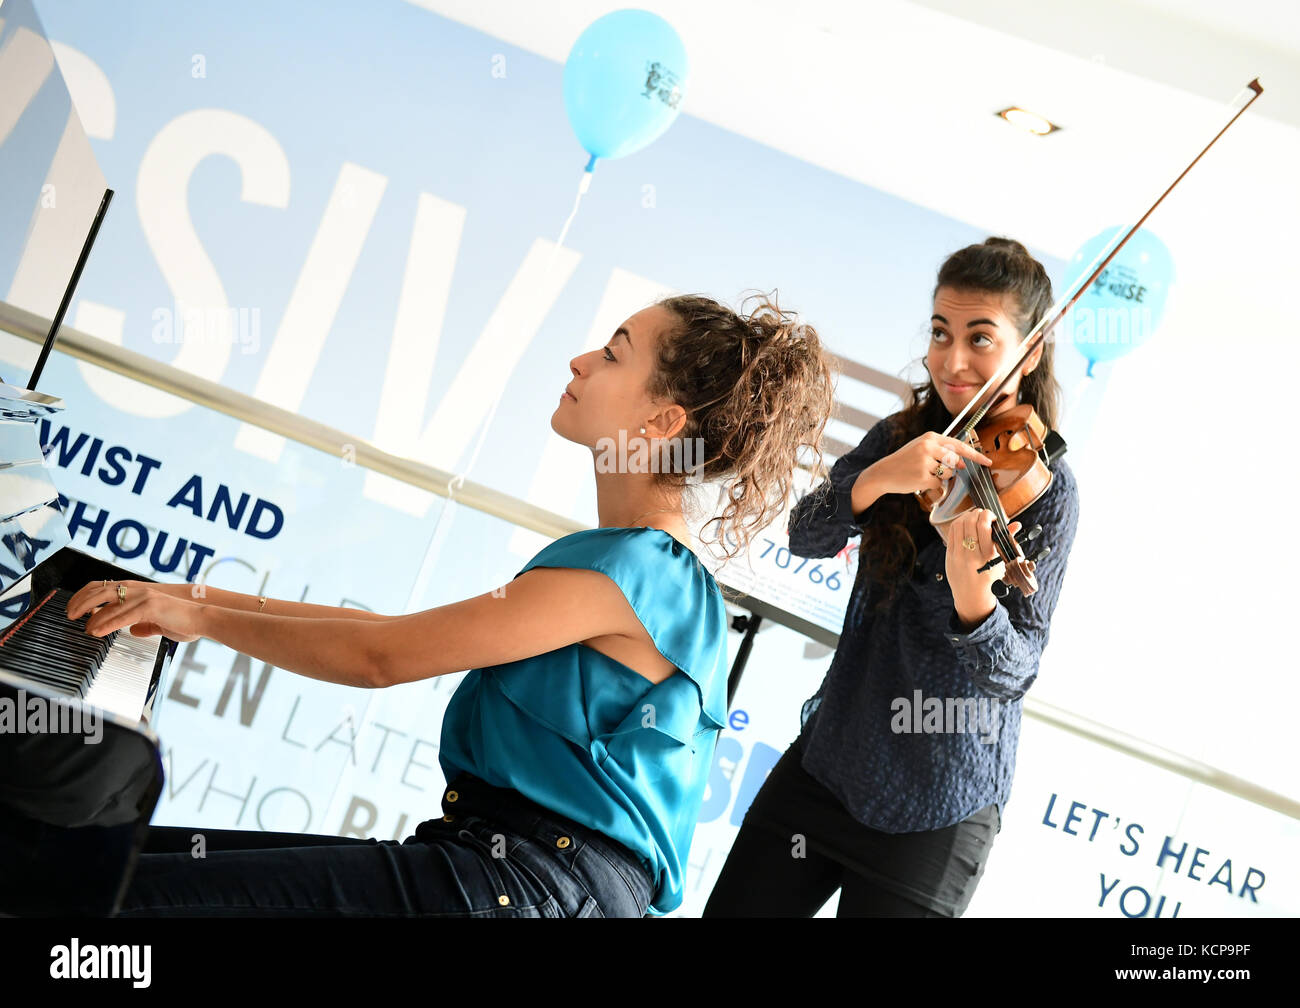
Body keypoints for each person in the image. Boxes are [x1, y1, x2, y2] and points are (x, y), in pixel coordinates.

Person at [62, 293, 835, 918]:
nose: (579, 360)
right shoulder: (641, 568)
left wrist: (197, 617)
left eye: (611, 353)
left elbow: (381, 661)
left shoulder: (639, 570)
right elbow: (383, 634)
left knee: (103, 895)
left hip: (529, 891)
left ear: (661, 423)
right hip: (518, 880)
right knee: (103, 866)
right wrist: (182, 598)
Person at [703, 237, 1080, 918]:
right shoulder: (903, 437)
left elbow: (1015, 671)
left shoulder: (1049, 490)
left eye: (980, 338)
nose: (952, 359)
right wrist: (879, 478)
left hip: (942, 804)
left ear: (1031, 350)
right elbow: (805, 533)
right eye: (940, 332)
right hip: (832, 763)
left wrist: (974, 598)